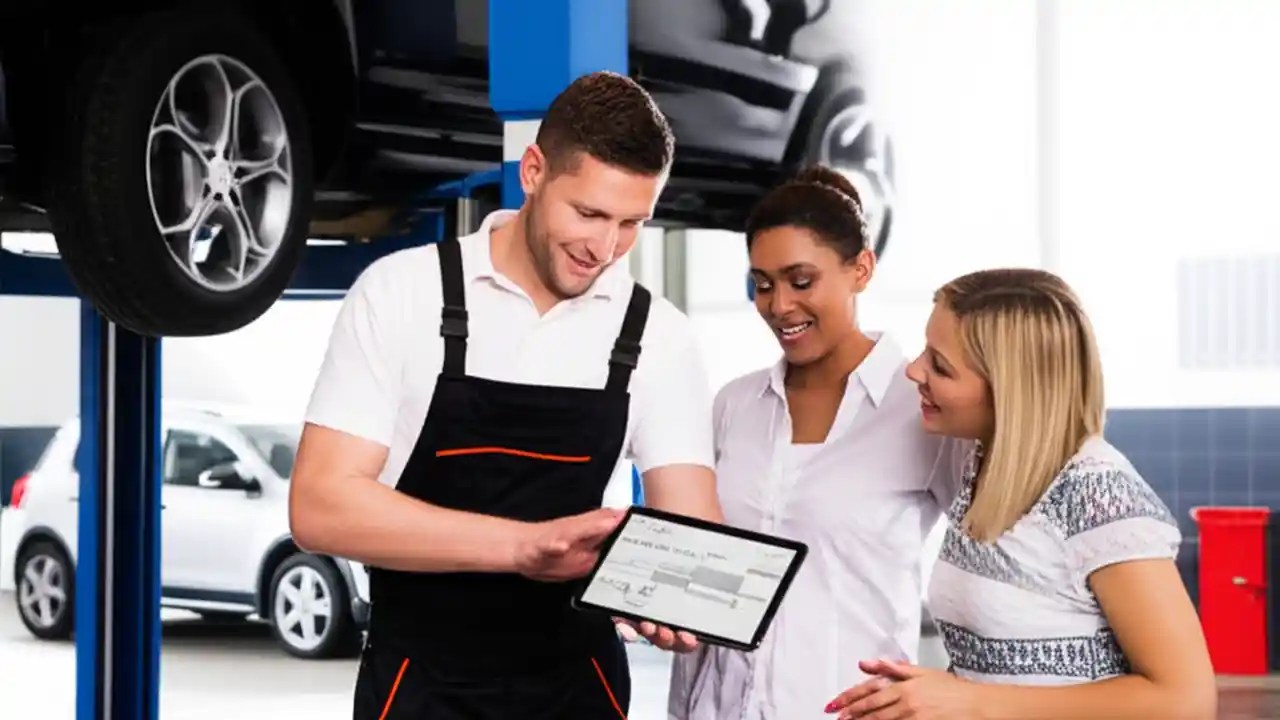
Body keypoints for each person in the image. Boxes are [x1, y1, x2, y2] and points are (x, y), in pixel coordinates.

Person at [288, 70, 723, 720]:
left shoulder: (660, 333)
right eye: (589, 213)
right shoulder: (403, 294)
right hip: (421, 683)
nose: (606, 248)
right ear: (533, 171)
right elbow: (320, 506)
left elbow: (690, 523)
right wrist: (522, 548)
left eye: (633, 222)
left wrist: (679, 595)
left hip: (579, 687)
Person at [825, 269, 1216, 719]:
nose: (914, 371)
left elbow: (1186, 702)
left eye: (941, 366)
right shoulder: (983, 468)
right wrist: (921, 697)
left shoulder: (1096, 493)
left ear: (1010, 390)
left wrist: (968, 701)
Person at [667, 165, 970, 719]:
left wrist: (962, 691)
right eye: (762, 283)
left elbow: (991, 566)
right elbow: (700, 560)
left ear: (861, 269)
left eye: (800, 281)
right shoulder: (734, 406)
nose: (779, 305)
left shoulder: (920, 410)